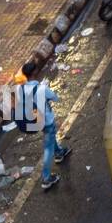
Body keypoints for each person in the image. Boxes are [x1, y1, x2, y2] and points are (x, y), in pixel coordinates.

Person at [18, 62, 71, 191]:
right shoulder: (40, 88)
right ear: (34, 73)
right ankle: (46, 178)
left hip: (36, 121)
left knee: (50, 138)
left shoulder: (21, 89)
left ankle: (59, 153)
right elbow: (55, 97)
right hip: (47, 121)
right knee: (48, 149)